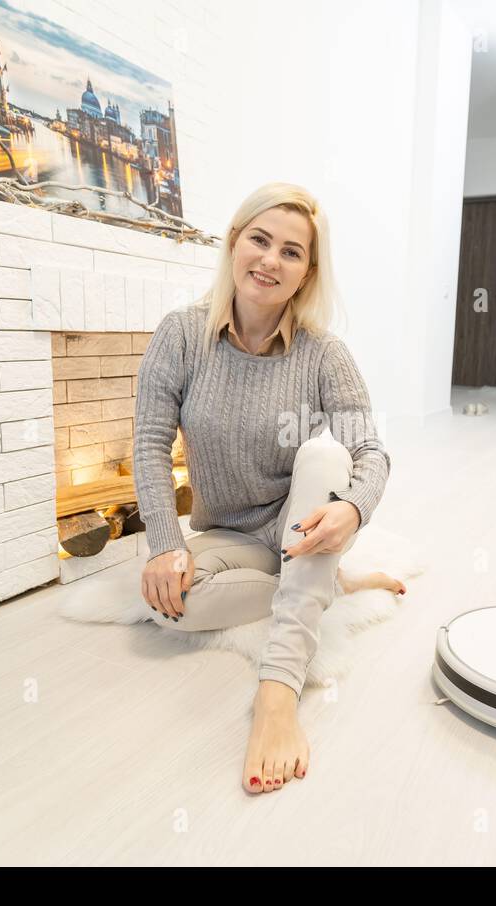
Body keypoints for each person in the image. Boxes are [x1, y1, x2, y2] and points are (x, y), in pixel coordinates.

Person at [133, 182, 402, 795]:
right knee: (167, 602)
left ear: (306, 274)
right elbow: (150, 442)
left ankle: (277, 695)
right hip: (231, 532)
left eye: (291, 251)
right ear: (233, 244)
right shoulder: (180, 333)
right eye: (259, 240)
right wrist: (164, 545)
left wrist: (354, 511)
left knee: (325, 453)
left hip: (299, 526)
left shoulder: (324, 354)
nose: (269, 260)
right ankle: (322, 583)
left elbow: (371, 452)